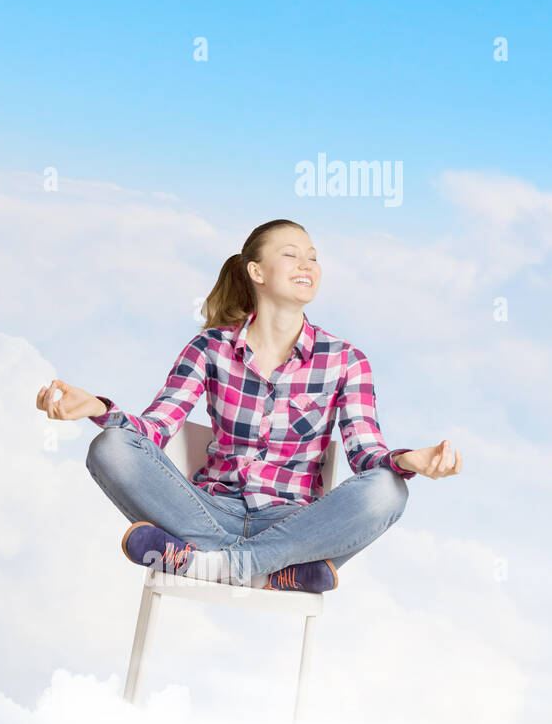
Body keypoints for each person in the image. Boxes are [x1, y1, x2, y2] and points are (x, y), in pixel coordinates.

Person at [35, 218, 462, 592]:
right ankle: (272, 570)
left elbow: (366, 455)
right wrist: (97, 409)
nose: (307, 265)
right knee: (110, 446)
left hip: (294, 525)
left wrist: (409, 460)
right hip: (205, 512)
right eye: (292, 255)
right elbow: (155, 429)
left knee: (389, 489)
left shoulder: (347, 361)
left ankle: (207, 562)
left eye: (313, 258)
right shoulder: (209, 348)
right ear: (256, 271)